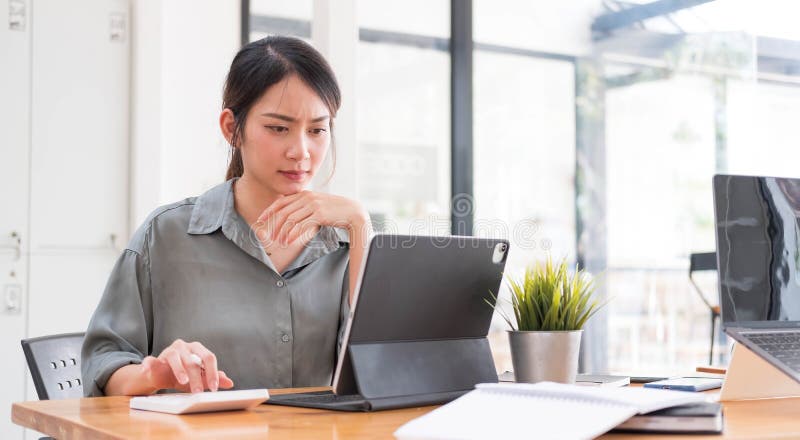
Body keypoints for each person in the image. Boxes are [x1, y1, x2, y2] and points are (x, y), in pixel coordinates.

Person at [81, 36, 372, 397]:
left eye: (317, 130)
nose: (301, 151)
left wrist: (360, 226)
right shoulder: (166, 236)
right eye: (278, 128)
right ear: (232, 128)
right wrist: (154, 374)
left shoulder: (348, 246)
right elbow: (104, 363)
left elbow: (379, 374)